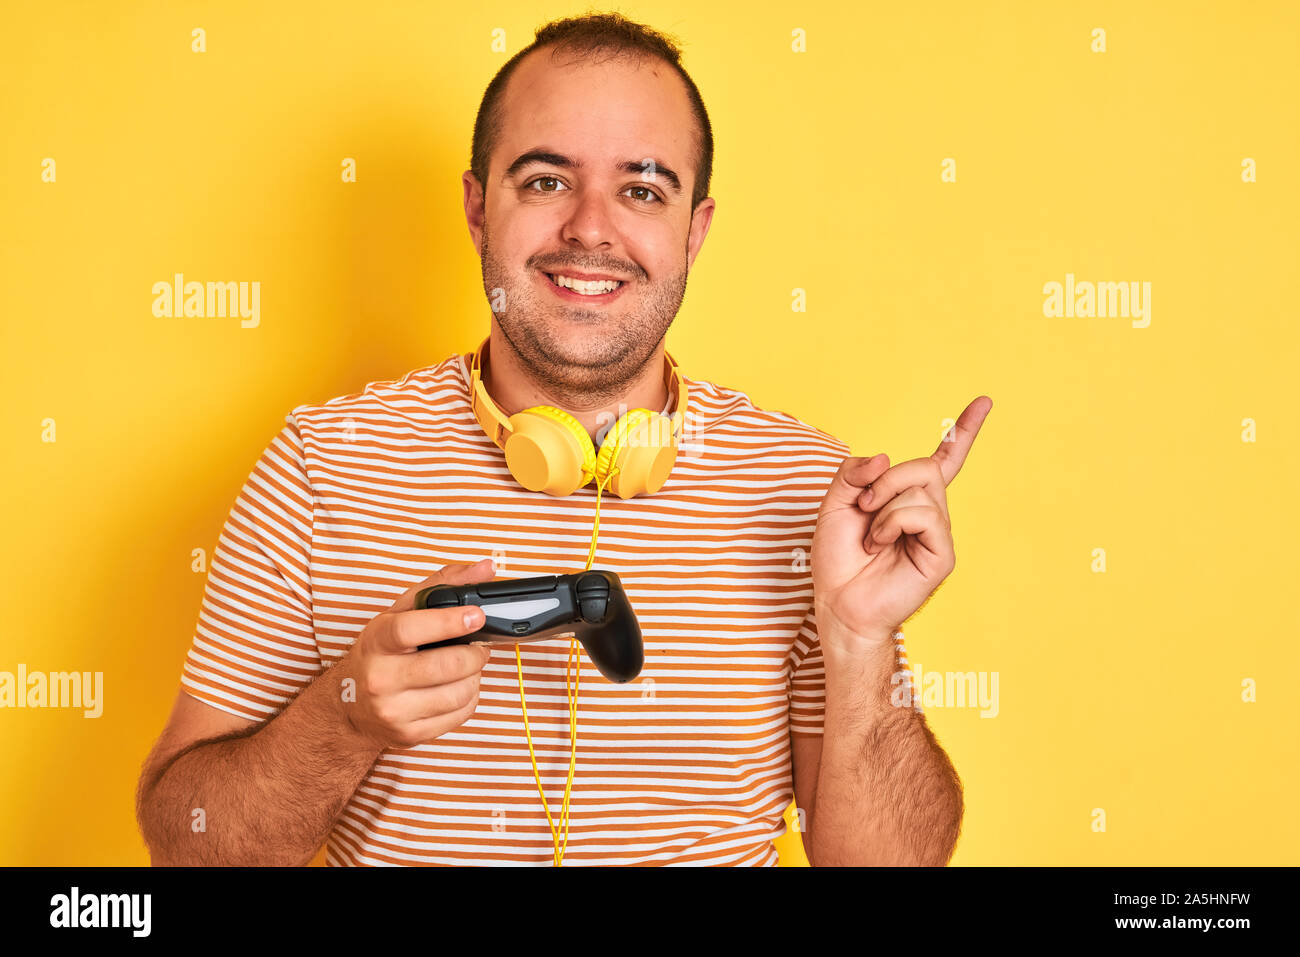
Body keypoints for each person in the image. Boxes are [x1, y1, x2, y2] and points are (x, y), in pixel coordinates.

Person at [136, 11, 988, 867]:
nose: (590, 228)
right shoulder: (320, 466)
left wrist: (859, 642)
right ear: (476, 208)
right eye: (546, 181)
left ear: (695, 230)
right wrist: (346, 714)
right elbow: (189, 847)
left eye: (643, 189)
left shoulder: (802, 486)